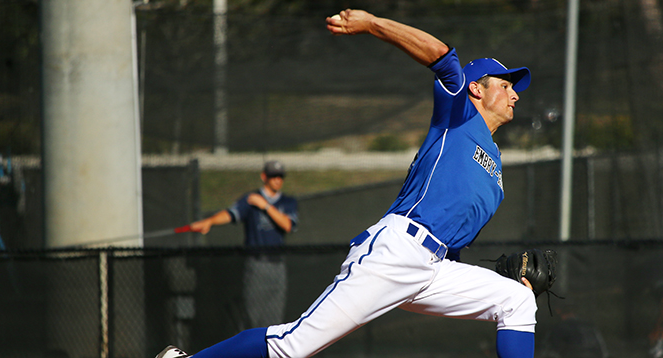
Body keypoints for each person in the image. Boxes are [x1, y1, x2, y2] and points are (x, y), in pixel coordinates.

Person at [157, 8, 537, 358]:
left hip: (435, 266)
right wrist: (371, 23)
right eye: (504, 85)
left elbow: (453, 225)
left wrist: (491, 274)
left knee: (517, 300)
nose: (514, 93)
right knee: (293, 346)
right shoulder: (457, 114)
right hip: (397, 252)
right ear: (476, 89)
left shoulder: (496, 168)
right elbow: (442, 55)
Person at [189, 160, 299, 328]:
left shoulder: (287, 202)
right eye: (273, 176)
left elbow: (288, 225)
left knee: (274, 321)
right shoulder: (250, 199)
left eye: (280, 176)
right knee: (252, 317)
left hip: (278, 266)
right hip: (257, 265)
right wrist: (210, 221)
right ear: (264, 177)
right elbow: (230, 214)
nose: (277, 180)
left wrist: (264, 205)